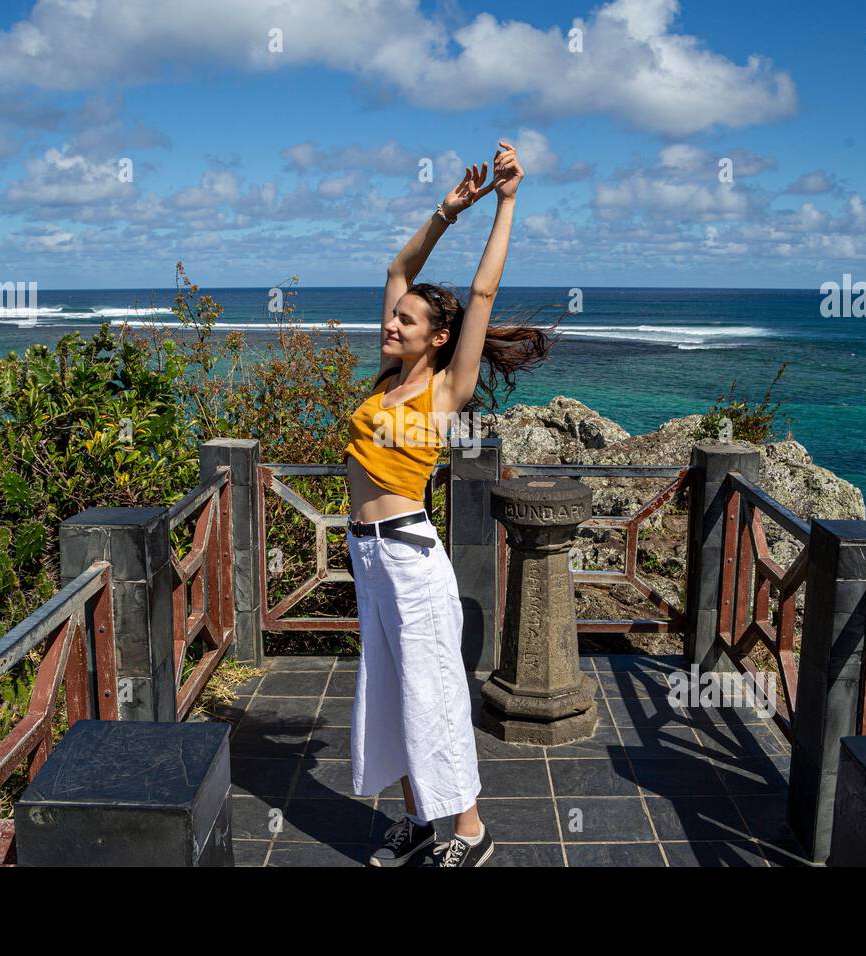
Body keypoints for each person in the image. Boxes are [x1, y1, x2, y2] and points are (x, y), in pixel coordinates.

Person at [342, 140, 560, 867]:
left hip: (409, 555)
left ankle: (469, 829)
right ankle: (418, 819)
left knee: (431, 692)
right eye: (393, 317)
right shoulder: (385, 379)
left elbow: (485, 296)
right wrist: (445, 211)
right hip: (366, 557)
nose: (392, 323)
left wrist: (504, 203)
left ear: (438, 338)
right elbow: (398, 269)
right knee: (390, 694)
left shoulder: (443, 389)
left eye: (407, 322)